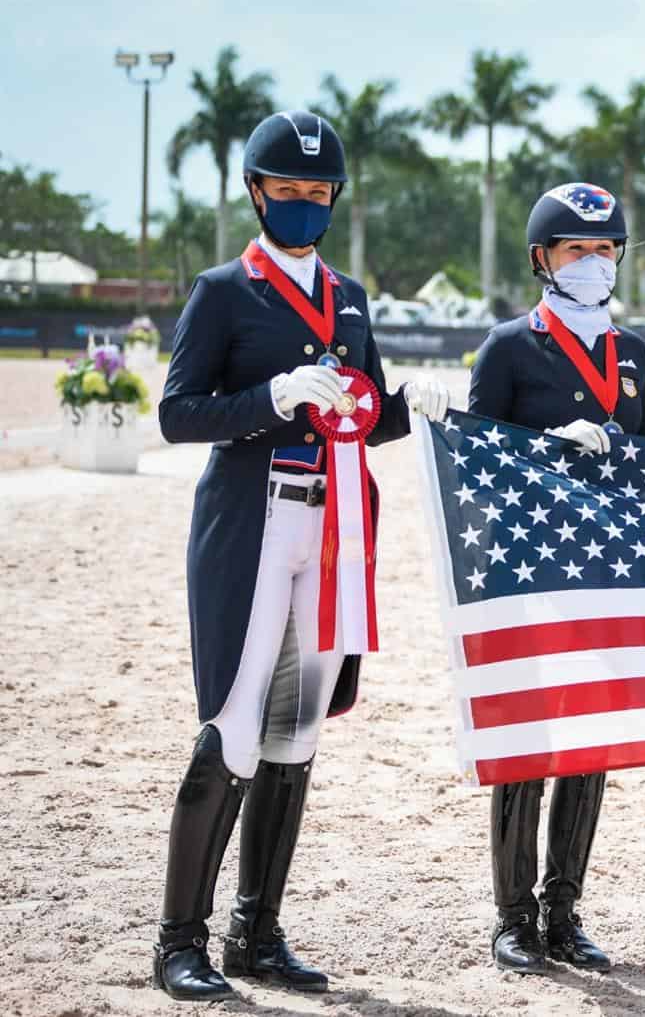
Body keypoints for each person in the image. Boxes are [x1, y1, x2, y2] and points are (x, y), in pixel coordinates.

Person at [153, 110, 449, 1001]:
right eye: (289, 190)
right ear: (256, 192)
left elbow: (361, 417)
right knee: (234, 726)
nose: (305, 204)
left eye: (319, 193)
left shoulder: (350, 296)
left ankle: (257, 931)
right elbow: (178, 414)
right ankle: (178, 939)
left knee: (296, 734)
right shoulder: (222, 291)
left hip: (332, 531)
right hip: (253, 524)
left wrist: (414, 403)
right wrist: (271, 395)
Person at [467, 182, 645, 975]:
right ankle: (512, 916)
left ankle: (564, 908)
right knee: (531, 739)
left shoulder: (633, 352)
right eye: (577, 250)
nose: (593, 263)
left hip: (608, 571)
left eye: (605, 250)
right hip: (532, 566)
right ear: (543, 259)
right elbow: (480, 466)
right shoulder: (508, 347)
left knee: (590, 742)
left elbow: (637, 464)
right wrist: (547, 449)